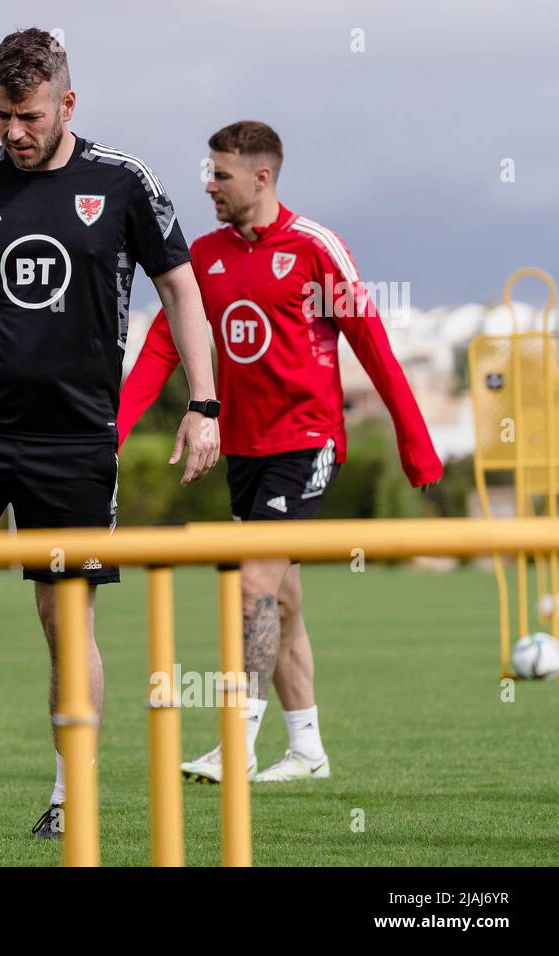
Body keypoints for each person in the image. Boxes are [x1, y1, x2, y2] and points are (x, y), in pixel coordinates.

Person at [0, 28, 219, 837]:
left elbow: (180, 290)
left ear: (68, 103)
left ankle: (70, 800)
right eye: (1, 116)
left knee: (63, 621)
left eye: (28, 116)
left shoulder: (125, 182)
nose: (14, 133)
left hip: (71, 437)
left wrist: (202, 404)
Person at [118, 120, 442, 783]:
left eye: (221, 175)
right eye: (208, 172)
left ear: (261, 176)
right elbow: (162, 349)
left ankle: (235, 743)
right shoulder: (202, 257)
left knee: (255, 586)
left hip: (307, 441)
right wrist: (110, 435)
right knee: (282, 604)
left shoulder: (315, 248)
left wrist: (416, 446)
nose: (209, 185)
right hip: (245, 450)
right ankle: (308, 751)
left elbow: (373, 344)